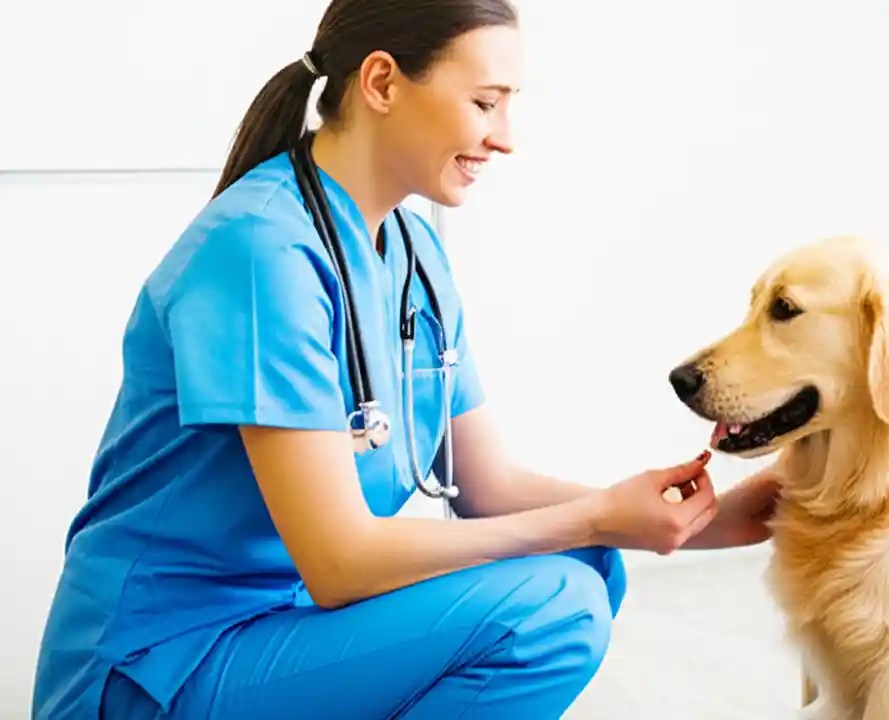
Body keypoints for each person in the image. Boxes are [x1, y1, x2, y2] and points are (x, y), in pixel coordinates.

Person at [31, 1, 782, 718]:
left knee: (589, 568)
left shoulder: (414, 252)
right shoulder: (260, 250)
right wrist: (593, 518)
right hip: (163, 668)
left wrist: (715, 522)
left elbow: (488, 487)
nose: (506, 136)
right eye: (486, 103)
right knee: (552, 606)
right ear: (383, 81)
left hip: (281, 630)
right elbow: (340, 562)